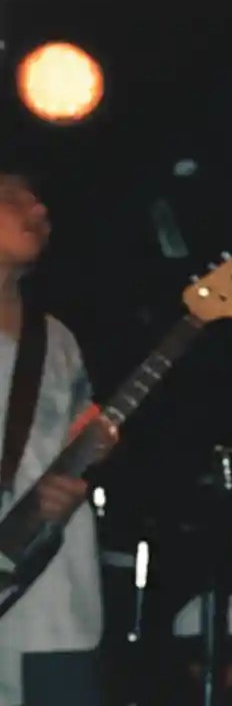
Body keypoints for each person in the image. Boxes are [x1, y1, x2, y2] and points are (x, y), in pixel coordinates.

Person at [0, 174, 105, 705]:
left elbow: (72, 439)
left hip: (56, 597)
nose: (38, 207)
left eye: (38, 199)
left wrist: (90, 453)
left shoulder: (57, 338)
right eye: (12, 198)